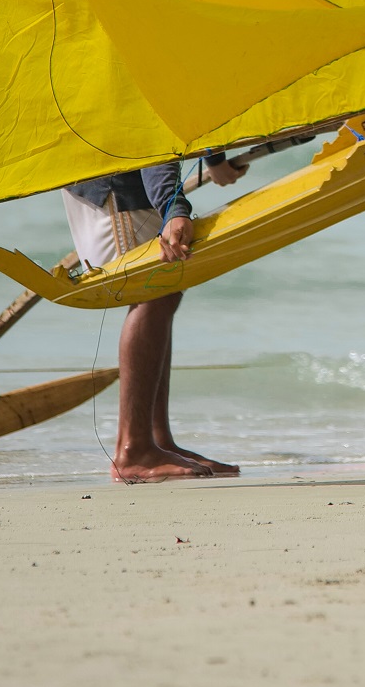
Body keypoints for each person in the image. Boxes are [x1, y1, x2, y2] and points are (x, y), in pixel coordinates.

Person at [63, 152, 247, 484]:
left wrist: (215, 158)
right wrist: (172, 209)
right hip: (115, 183)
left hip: (130, 177)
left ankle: (158, 441)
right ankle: (133, 451)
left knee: (166, 290)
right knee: (153, 291)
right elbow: (151, 142)